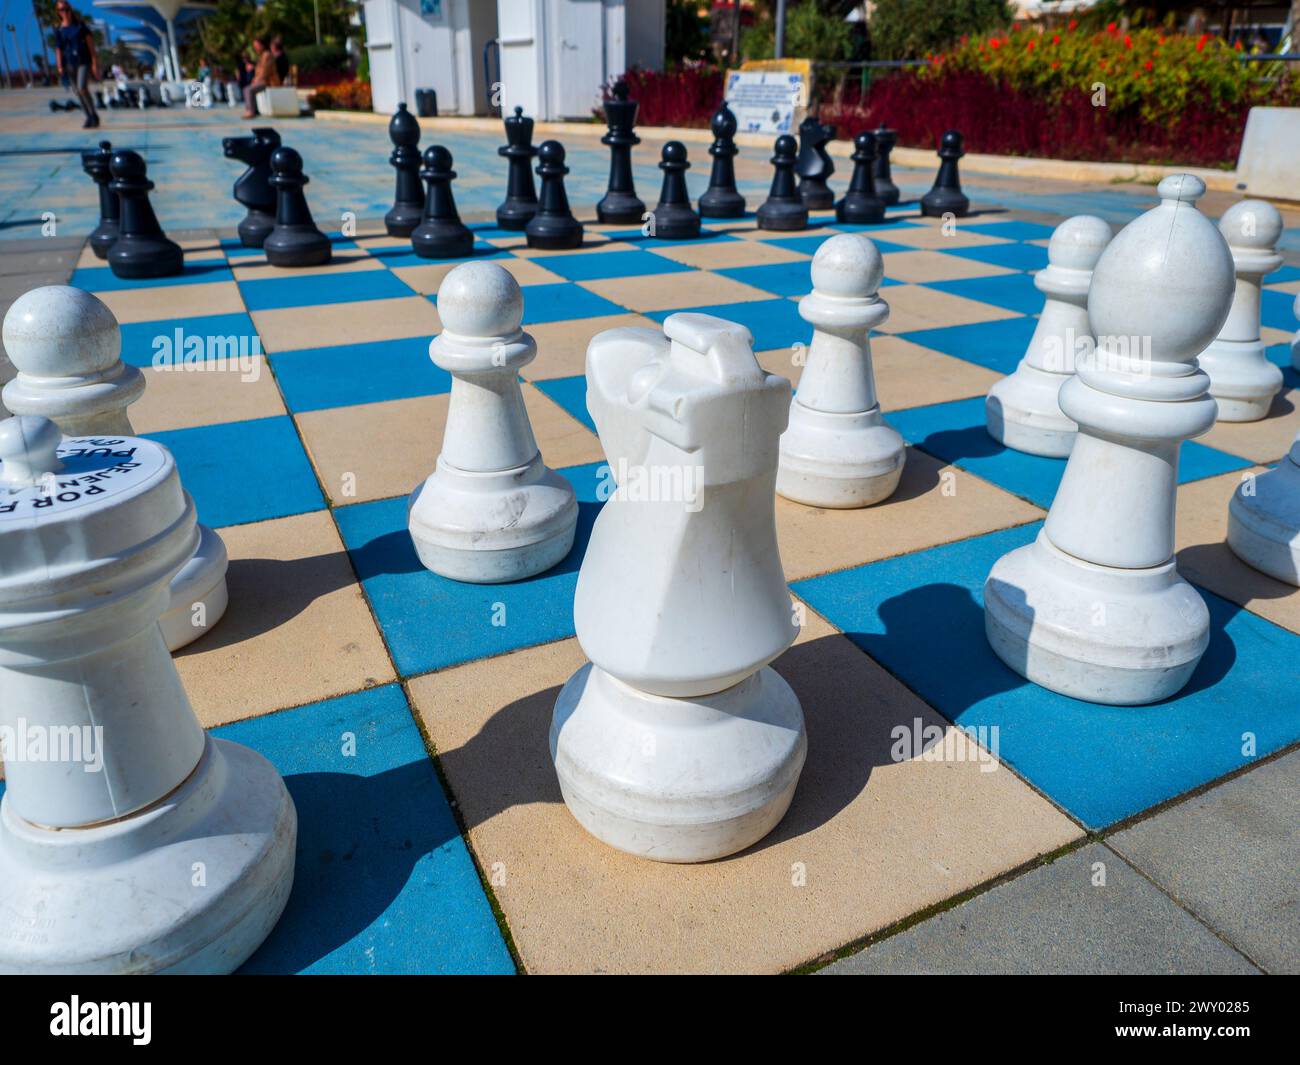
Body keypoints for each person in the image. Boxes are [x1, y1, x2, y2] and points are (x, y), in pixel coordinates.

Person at [54, 2, 99, 128]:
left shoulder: (80, 27)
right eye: (62, 10)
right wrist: (59, 66)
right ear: (58, 12)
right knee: (78, 92)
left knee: (82, 88)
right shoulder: (59, 30)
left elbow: (91, 47)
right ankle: (89, 117)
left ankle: (93, 114)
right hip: (69, 64)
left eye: (67, 9)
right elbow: (58, 49)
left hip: (83, 62)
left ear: (71, 10)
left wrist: (95, 64)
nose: (65, 12)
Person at [242, 36, 279, 119]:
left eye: (257, 46)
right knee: (246, 89)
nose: (255, 48)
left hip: (269, 81)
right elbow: (259, 70)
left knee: (249, 90)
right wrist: (255, 79)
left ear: (262, 45)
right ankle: (251, 109)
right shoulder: (262, 56)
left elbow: (265, 71)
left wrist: (256, 80)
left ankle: (251, 111)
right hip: (262, 80)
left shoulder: (267, 55)